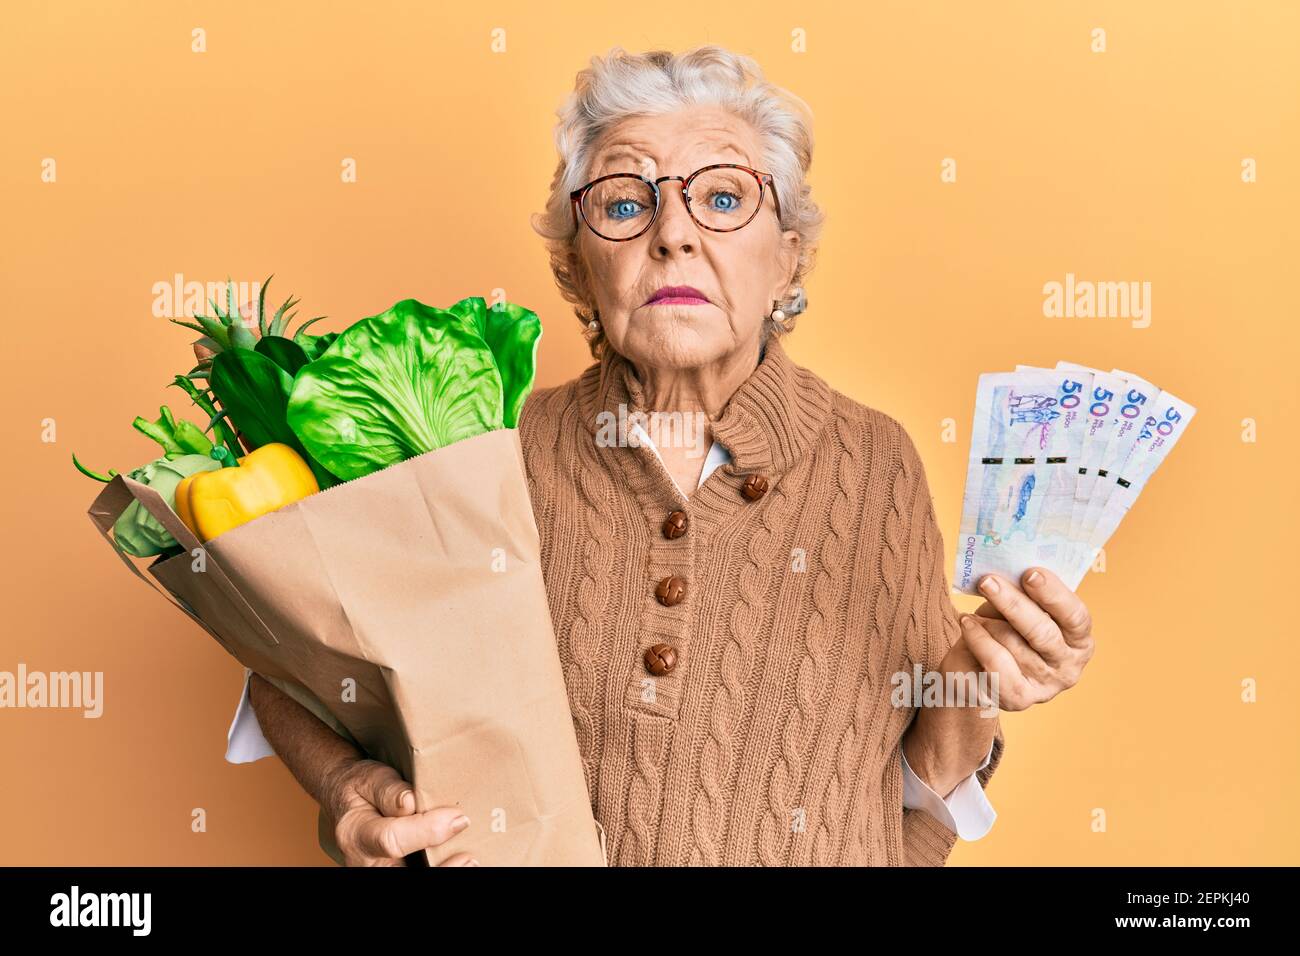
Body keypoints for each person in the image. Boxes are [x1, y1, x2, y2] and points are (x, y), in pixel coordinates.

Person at [231, 44, 1095, 866]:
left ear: (787, 260)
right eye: (622, 203)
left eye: (722, 199)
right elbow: (294, 667)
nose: (672, 233)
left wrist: (981, 679)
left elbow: (918, 782)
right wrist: (347, 789)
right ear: (577, 266)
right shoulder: (489, 451)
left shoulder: (876, 461)